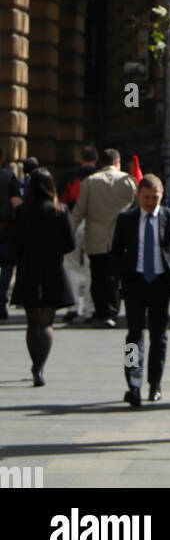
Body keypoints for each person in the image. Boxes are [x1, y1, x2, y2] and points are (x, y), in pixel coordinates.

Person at [111, 174, 170, 406]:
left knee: (158, 336)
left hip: (161, 284)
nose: (150, 202)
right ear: (138, 196)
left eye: (155, 197)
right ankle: (133, 384)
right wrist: (120, 278)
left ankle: (155, 384)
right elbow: (116, 251)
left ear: (162, 195)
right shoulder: (126, 219)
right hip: (135, 284)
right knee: (134, 336)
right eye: (146, 197)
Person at [10, 169, 75, 385]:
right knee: (47, 323)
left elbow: (15, 242)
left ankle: (35, 364)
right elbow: (70, 244)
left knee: (32, 323)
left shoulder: (22, 212)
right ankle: (40, 367)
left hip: (29, 269)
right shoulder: (60, 210)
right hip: (52, 271)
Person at [72, 149, 137, 327]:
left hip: (95, 238)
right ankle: (113, 312)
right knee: (115, 278)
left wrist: (69, 232)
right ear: (118, 162)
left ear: (100, 163)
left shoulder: (90, 182)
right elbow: (137, 209)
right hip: (120, 238)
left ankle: (100, 312)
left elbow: (79, 211)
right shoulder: (129, 181)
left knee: (97, 277)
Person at [58, 144, 98, 323]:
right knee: (91, 267)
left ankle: (72, 306)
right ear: (96, 160)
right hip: (94, 223)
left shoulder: (69, 178)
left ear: (81, 159)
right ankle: (90, 308)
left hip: (73, 223)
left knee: (71, 265)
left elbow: (62, 203)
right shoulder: (99, 178)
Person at [0, 146, 24, 321]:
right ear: (2, 158)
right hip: (5, 227)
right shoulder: (9, 177)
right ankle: (1, 300)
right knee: (7, 265)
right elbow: (17, 203)